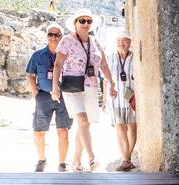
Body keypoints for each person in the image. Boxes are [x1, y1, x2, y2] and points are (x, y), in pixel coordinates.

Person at [51, 9, 116, 172]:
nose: (86, 24)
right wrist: (54, 87)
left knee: (84, 125)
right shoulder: (67, 40)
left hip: (90, 86)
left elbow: (104, 65)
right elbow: (58, 64)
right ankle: (92, 159)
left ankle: (76, 161)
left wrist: (112, 82)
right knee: (82, 121)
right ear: (75, 23)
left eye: (88, 21)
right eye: (82, 21)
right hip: (72, 86)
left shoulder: (95, 41)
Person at [26, 25, 71, 172]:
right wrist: (36, 93)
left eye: (57, 35)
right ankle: (41, 160)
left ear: (62, 36)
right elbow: (31, 75)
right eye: (51, 34)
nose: (54, 37)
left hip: (64, 96)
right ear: (46, 36)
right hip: (44, 96)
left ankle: (62, 163)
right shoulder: (38, 55)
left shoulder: (67, 54)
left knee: (63, 130)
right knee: (39, 130)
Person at [107, 29, 136, 171]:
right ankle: (125, 159)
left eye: (124, 40)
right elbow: (105, 77)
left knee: (132, 126)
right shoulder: (110, 57)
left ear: (129, 42)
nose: (121, 43)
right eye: (118, 41)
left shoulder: (135, 58)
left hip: (132, 98)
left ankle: (127, 158)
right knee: (120, 127)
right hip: (115, 97)